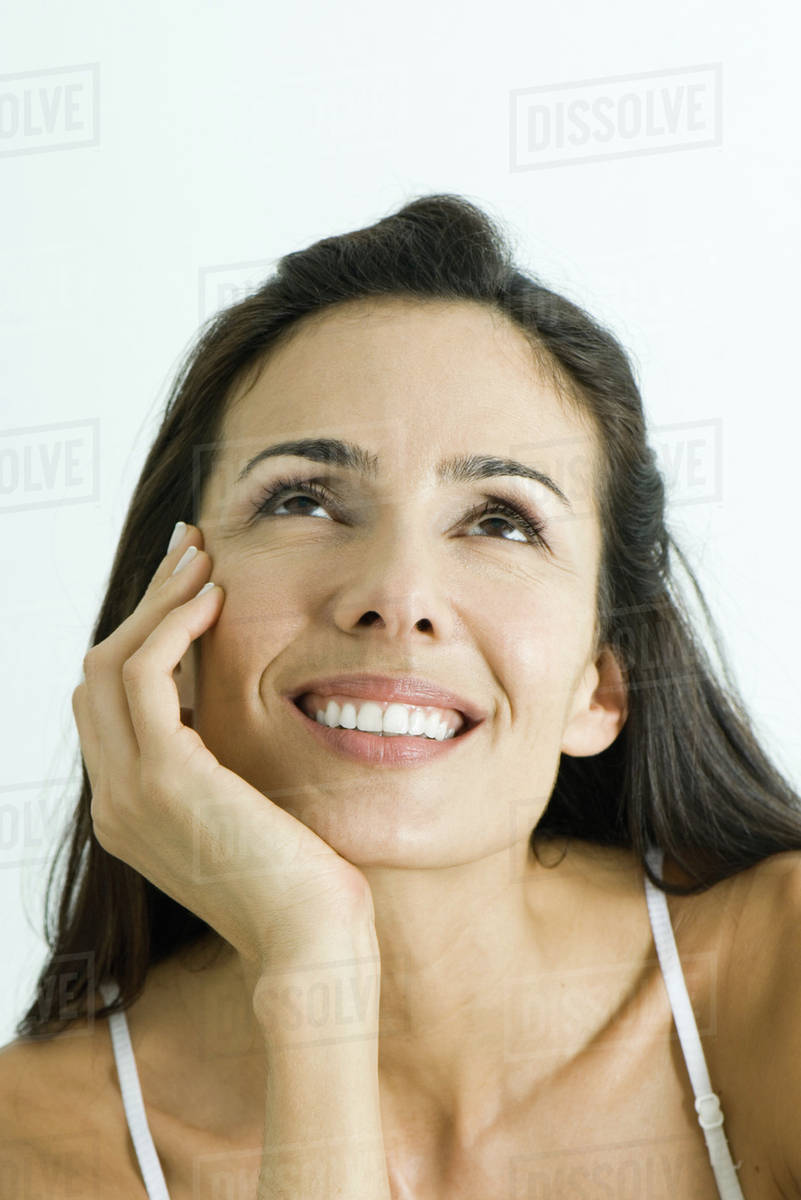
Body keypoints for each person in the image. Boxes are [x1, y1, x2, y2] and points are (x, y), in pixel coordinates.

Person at [1, 194, 800, 1199]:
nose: (397, 595)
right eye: (302, 500)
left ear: (599, 685)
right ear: (168, 633)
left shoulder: (781, 977)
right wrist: (313, 967)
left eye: (502, 521)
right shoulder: (32, 1142)